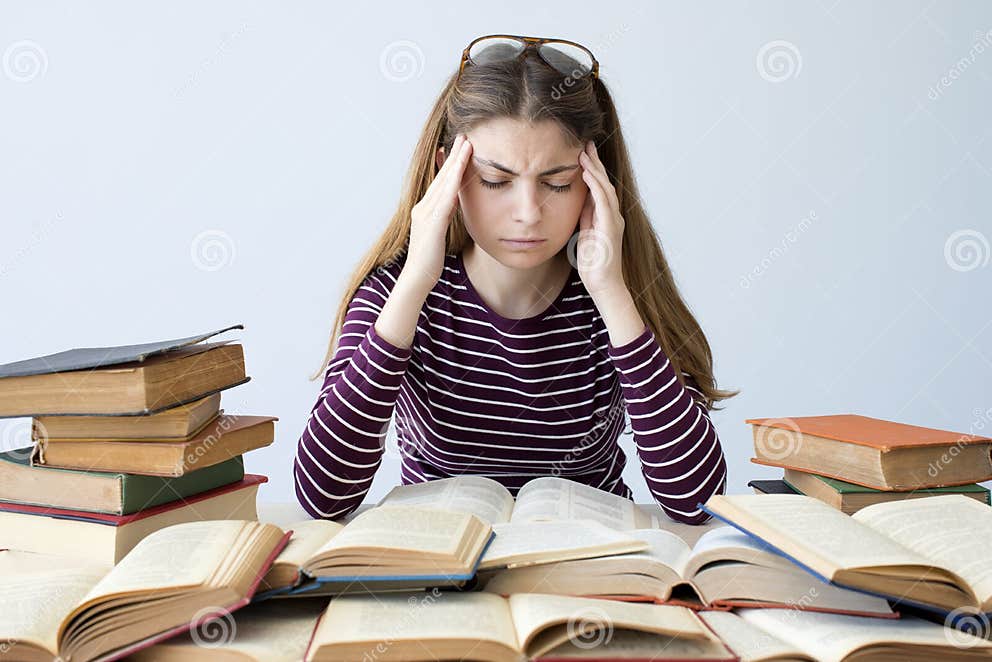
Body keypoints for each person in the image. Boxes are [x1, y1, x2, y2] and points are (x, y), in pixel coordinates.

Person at [295, 34, 739, 525]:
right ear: (449, 176)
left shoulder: (620, 295)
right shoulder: (393, 294)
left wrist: (612, 293)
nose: (528, 213)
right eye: (495, 181)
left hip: (590, 573)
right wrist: (414, 286)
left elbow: (695, 500)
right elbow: (323, 498)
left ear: (596, 183)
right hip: (436, 572)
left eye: (557, 183)